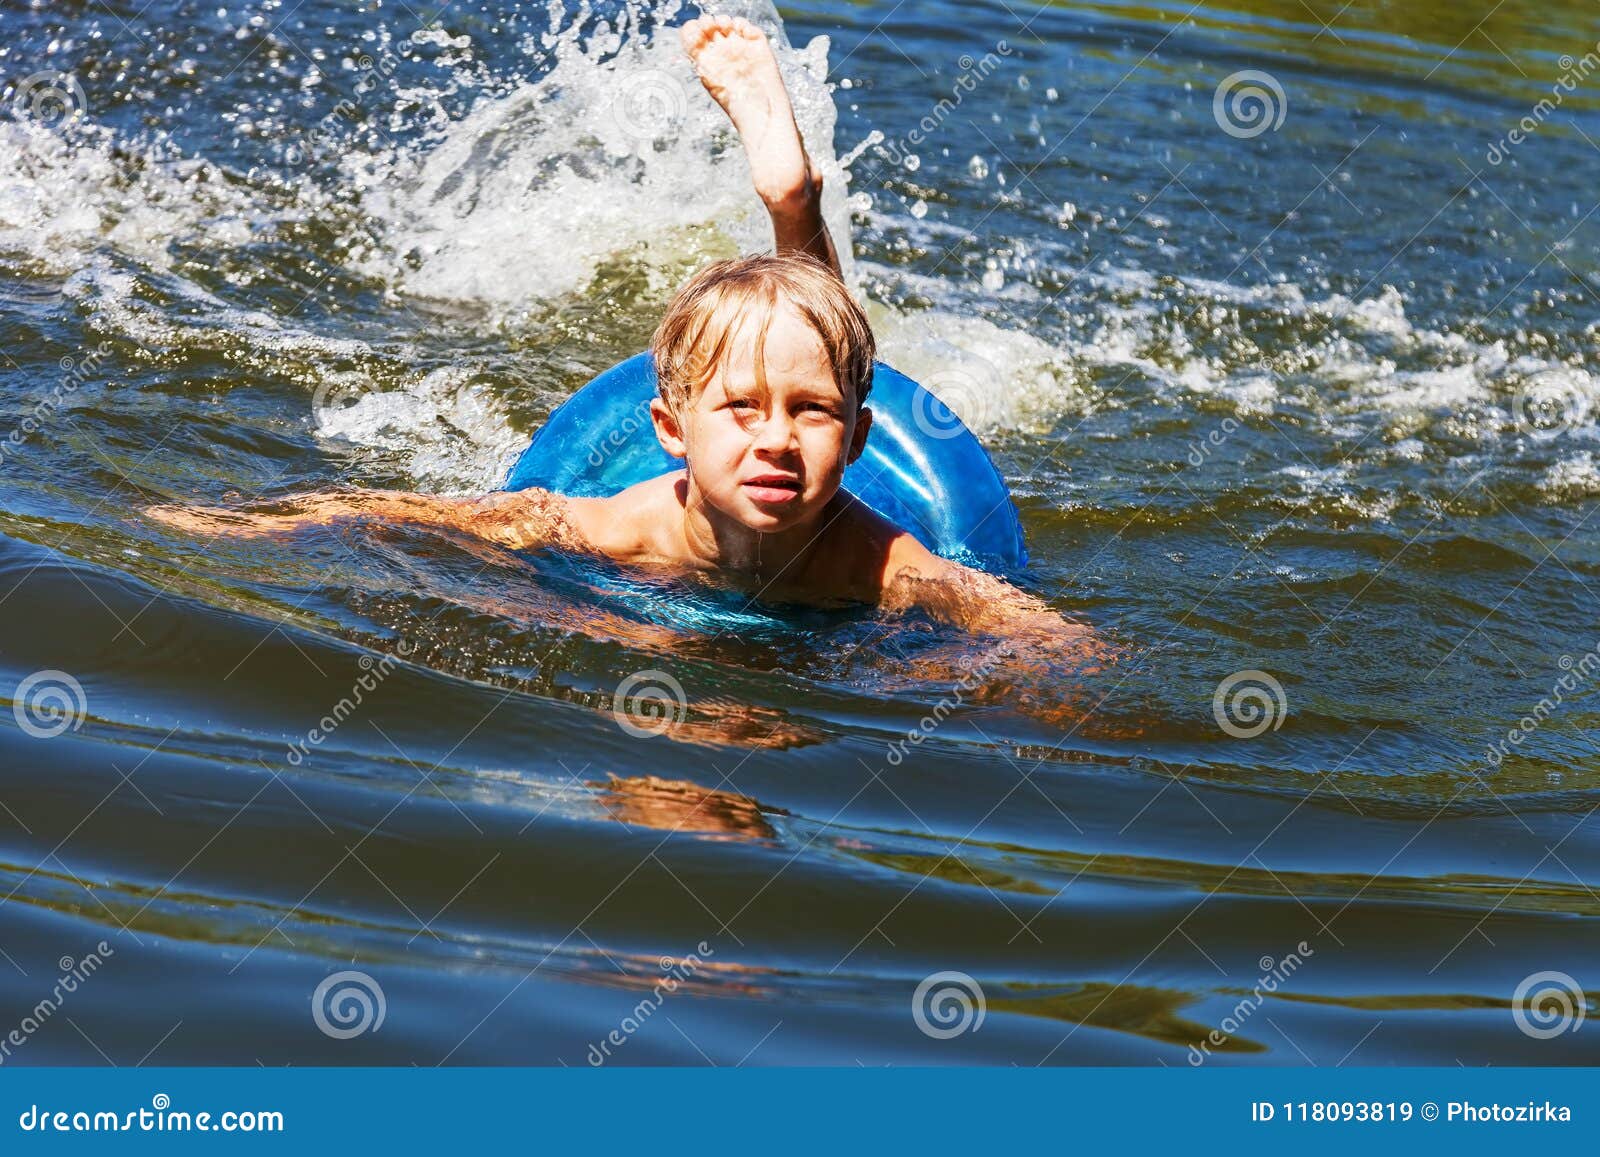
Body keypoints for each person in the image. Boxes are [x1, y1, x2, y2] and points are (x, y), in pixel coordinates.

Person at [149, 16, 1108, 673]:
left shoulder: (882, 562)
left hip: (860, 485)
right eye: (739, 411)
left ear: (858, 441)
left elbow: (1024, 629)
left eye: (813, 419)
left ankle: (794, 200)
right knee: (797, 344)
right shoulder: (621, 526)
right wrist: (243, 527)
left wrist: (1060, 670)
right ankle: (792, 200)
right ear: (668, 430)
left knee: (812, 336)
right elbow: (427, 515)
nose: (777, 440)